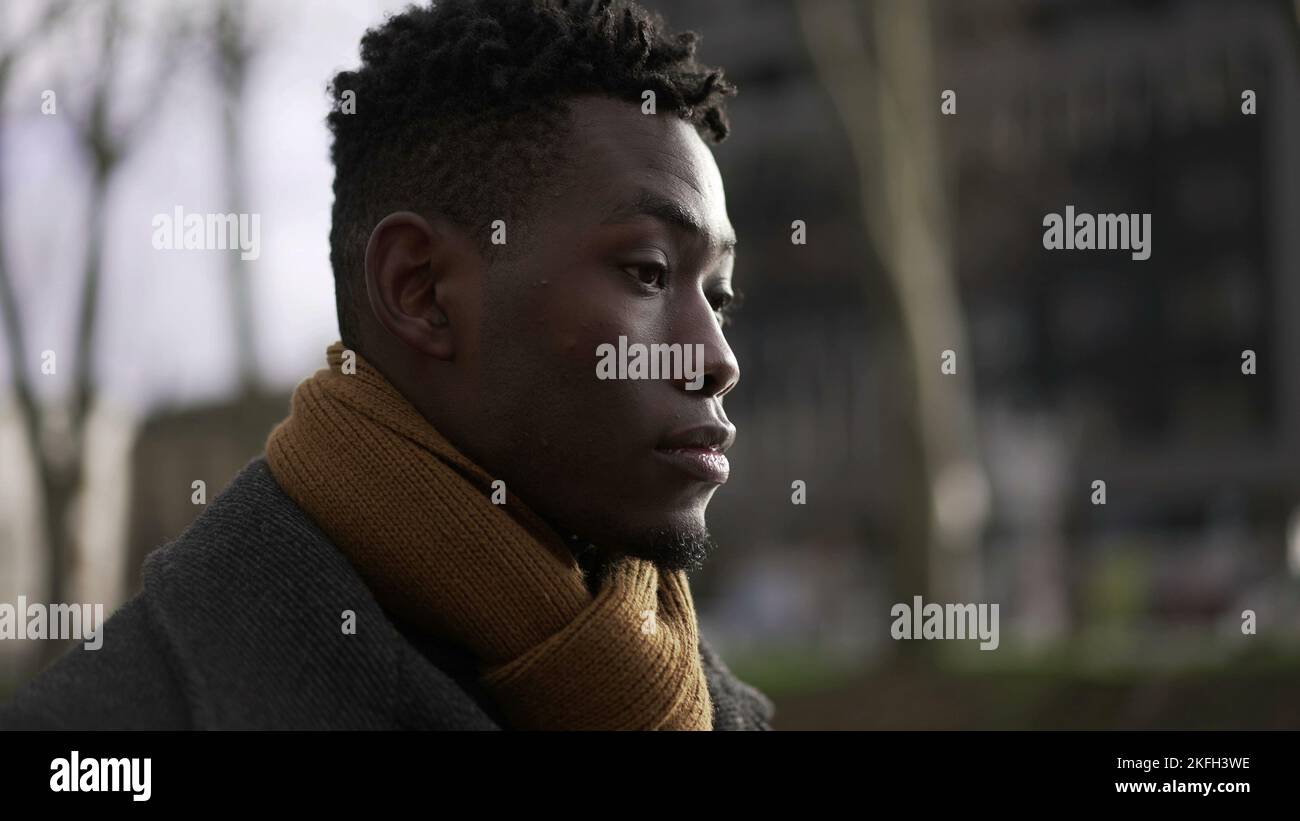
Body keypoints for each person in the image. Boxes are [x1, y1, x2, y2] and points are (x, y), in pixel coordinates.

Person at [1, 0, 773, 731]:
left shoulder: (715, 708)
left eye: (720, 295)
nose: (718, 359)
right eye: (647, 272)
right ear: (421, 289)